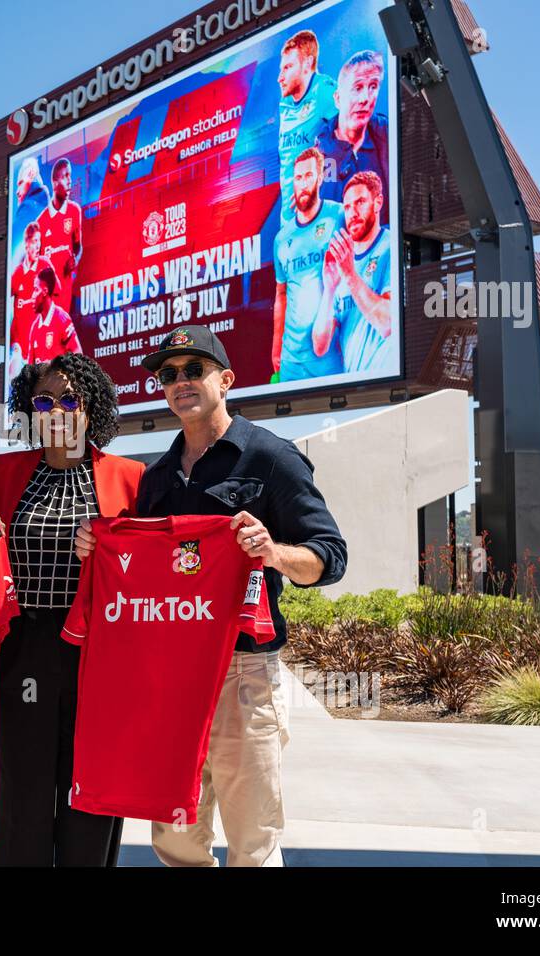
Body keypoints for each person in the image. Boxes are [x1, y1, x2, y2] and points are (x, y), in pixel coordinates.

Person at [75, 326, 346, 867]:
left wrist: (273, 552)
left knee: (252, 836)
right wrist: (97, 546)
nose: (180, 382)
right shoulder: (155, 478)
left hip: (243, 669)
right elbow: (141, 567)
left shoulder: (271, 457)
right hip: (169, 673)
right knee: (174, 834)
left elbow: (330, 556)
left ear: (225, 379)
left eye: (193, 370)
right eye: (168, 374)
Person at [0, 352, 144, 866]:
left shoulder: (130, 478)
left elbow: (154, 563)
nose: (56, 410)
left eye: (69, 399)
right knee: (22, 787)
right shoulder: (4, 471)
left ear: (93, 407)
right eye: (43, 400)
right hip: (23, 648)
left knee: (92, 785)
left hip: (100, 652)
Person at [272, 146, 345, 382]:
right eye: (299, 177)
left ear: (320, 177)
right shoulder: (282, 238)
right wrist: (276, 346)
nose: (303, 183)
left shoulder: (339, 216)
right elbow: (281, 294)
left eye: (309, 176)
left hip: (331, 353)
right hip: (292, 359)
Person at [312, 171, 394, 374]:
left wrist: (349, 274)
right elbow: (320, 346)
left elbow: (388, 323)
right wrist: (329, 290)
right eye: (347, 207)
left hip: (387, 378)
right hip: (355, 385)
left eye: (360, 202)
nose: (353, 213)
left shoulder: (390, 246)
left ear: (378, 202)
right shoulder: (342, 261)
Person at [314, 51, 390, 219]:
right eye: (357, 88)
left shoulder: (386, 137)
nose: (366, 98)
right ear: (338, 99)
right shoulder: (318, 156)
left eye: (373, 87)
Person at [276, 29, 338, 223]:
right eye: (281, 69)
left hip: (317, 216)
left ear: (308, 64)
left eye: (288, 67)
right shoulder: (284, 105)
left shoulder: (324, 91)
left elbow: (352, 135)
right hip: (288, 220)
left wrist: (313, 182)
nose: (280, 77)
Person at [34, 158, 84, 312]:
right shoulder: (41, 222)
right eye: (65, 176)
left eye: (70, 176)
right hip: (49, 302)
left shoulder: (74, 211)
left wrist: (75, 259)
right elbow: (36, 265)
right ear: (55, 183)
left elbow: (78, 246)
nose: (70, 181)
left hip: (67, 297)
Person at [9, 222, 53, 383]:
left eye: (39, 241)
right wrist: (14, 345)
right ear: (27, 243)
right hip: (20, 352)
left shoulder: (45, 265)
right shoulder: (17, 274)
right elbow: (7, 311)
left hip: (40, 351)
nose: (38, 245)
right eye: (35, 241)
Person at [24, 266, 83, 366]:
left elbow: (78, 354)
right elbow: (29, 370)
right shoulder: (34, 328)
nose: (32, 296)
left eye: (35, 290)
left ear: (45, 291)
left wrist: (58, 369)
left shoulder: (61, 318)